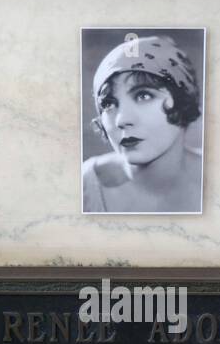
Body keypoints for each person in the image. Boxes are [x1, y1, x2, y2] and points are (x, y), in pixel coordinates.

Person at [83, 35, 203, 214]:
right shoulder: (84, 185)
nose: (121, 120)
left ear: (183, 100)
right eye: (108, 104)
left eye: (144, 96)